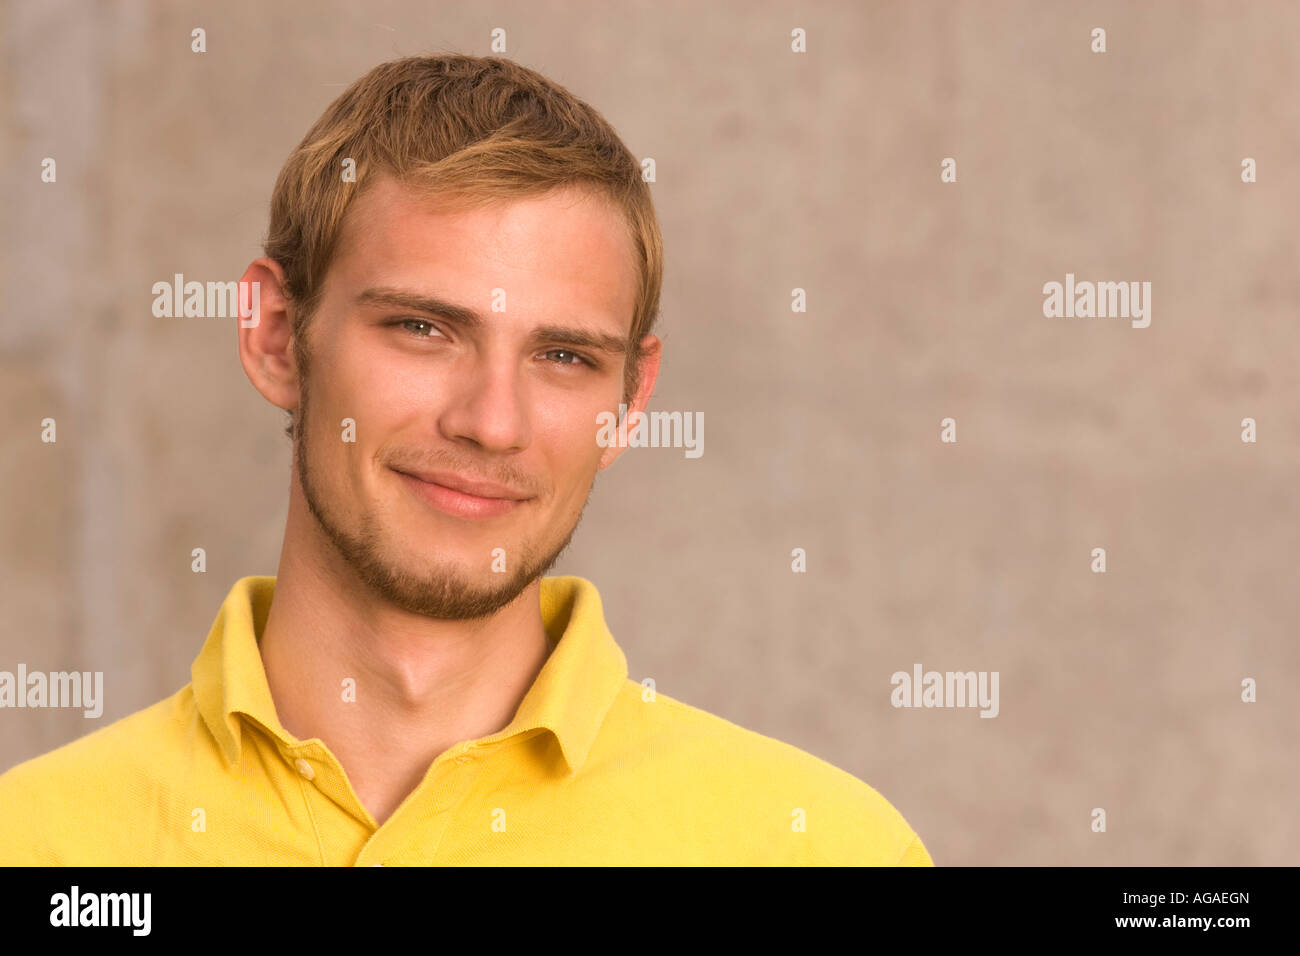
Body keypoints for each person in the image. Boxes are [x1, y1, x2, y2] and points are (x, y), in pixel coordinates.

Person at [0, 54, 932, 865]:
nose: (493, 422)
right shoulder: (35, 843)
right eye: (422, 328)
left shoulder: (823, 849)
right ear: (278, 335)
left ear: (629, 401)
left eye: (563, 356)